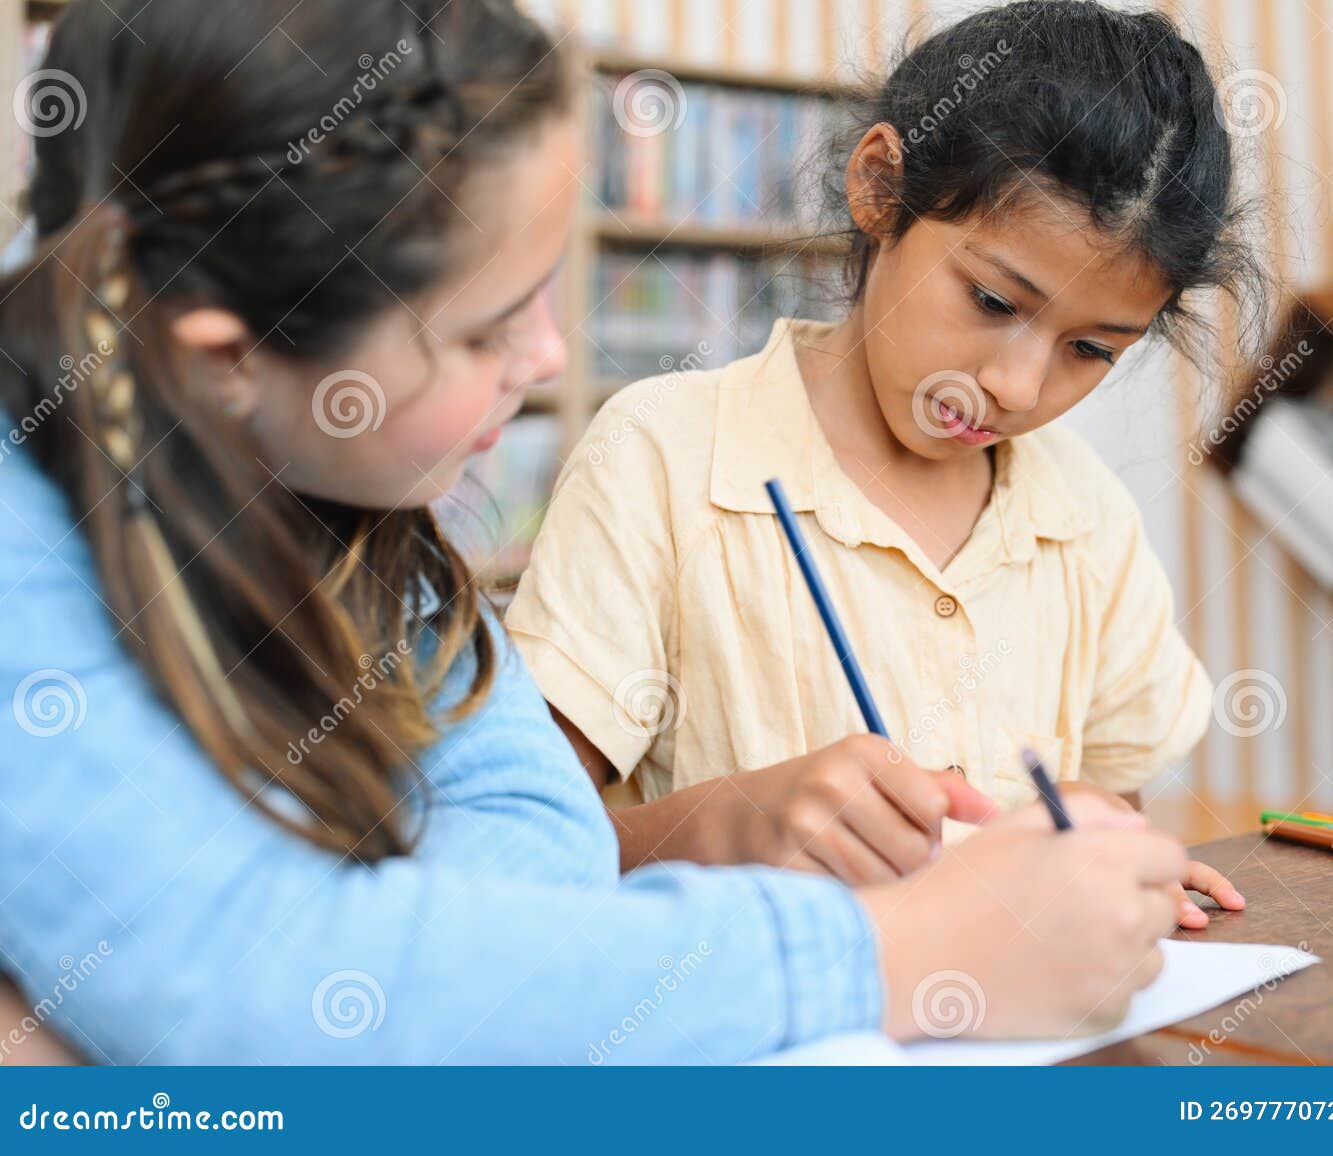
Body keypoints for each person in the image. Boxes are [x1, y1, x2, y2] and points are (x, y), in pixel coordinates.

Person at [0, 0, 1186, 1064]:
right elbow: (278, 990)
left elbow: (535, 849)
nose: (550, 359)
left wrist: (429, 966)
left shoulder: (362, 528)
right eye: (484, 331)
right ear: (229, 362)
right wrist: (892, 957)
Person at [509, 0, 1254, 926]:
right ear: (879, 188)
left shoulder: (1086, 519)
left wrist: (1106, 854)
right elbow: (509, 862)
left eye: (1092, 350)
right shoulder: (662, 457)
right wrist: (732, 826)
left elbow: (1111, 808)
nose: (1018, 386)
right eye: (991, 299)